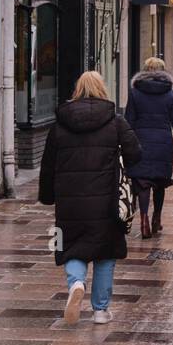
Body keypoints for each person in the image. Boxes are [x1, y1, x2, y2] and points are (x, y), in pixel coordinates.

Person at [39, 70, 142, 327]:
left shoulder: (59, 125)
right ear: (102, 89)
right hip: (106, 202)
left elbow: (48, 166)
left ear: (77, 90)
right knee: (105, 254)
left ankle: (75, 283)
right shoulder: (115, 122)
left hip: (69, 203)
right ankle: (100, 311)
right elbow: (136, 154)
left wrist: (48, 197)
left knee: (72, 247)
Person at [125, 57, 173, 239]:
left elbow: (129, 121)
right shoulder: (170, 94)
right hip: (163, 144)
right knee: (159, 183)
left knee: (143, 183)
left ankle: (143, 219)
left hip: (140, 142)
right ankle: (156, 219)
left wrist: (124, 146)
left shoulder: (135, 93)